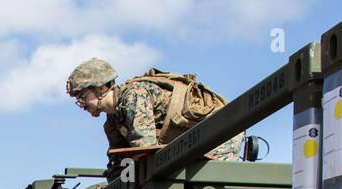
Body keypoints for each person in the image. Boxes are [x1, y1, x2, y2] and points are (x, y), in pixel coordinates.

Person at [65, 59, 242, 179]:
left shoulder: (134, 95)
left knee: (213, 187)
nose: (80, 103)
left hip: (218, 136)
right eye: (76, 99)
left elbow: (145, 150)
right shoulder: (113, 122)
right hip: (191, 145)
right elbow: (120, 166)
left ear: (100, 88)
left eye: (82, 95)